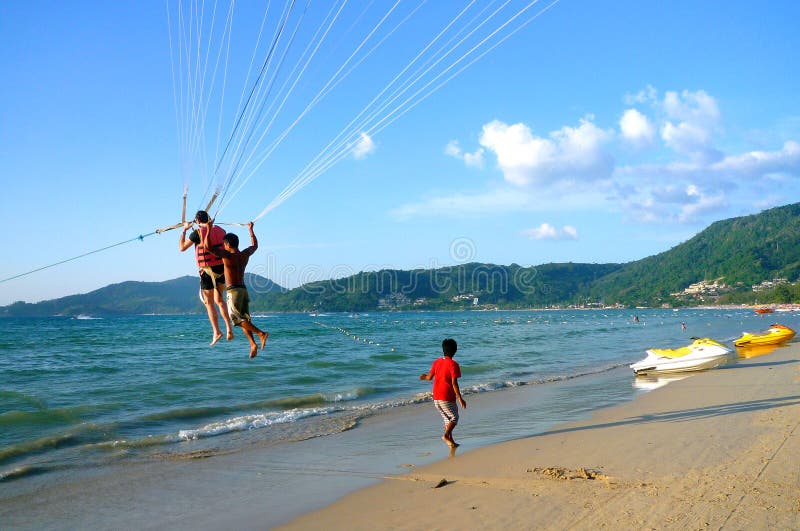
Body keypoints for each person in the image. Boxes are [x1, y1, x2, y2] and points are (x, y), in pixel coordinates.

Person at [203, 219, 268, 359]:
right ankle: (252, 344)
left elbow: (207, 247)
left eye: (224, 244)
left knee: (236, 319)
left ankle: (261, 333)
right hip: (243, 290)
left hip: (233, 292)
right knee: (245, 320)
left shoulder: (227, 256)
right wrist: (251, 229)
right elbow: (255, 245)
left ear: (226, 244)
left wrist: (208, 229)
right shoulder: (244, 254)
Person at [179, 210, 234, 346]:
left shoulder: (196, 234)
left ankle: (216, 331)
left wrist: (184, 230)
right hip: (221, 269)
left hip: (207, 271)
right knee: (219, 300)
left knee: (209, 303)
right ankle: (228, 328)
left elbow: (182, 248)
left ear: (197, 221)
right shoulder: (221, 230)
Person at [420, 338, 467, 448]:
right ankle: (446, 435)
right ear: (455, 351)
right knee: (455, 417)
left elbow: (429, 377)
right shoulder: (453, 364)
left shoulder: (436, 362)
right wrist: (460, 398)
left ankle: (451, 441)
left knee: (447, 419)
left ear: (443, 350)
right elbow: (454, 383)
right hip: (447, 397)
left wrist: (423, 377)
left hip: (436, 397)